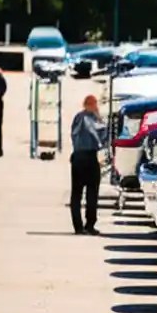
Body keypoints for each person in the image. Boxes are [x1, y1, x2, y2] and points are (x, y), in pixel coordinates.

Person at [70, 95, 107, 235]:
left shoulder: (78, 118)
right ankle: (89, 224)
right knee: (92, 193)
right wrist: (99, 117)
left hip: (78, 157)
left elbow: (73, 135)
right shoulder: (94, 120)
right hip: (90, 157)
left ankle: (78, 226)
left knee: (76, 193)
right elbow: (103, 137)